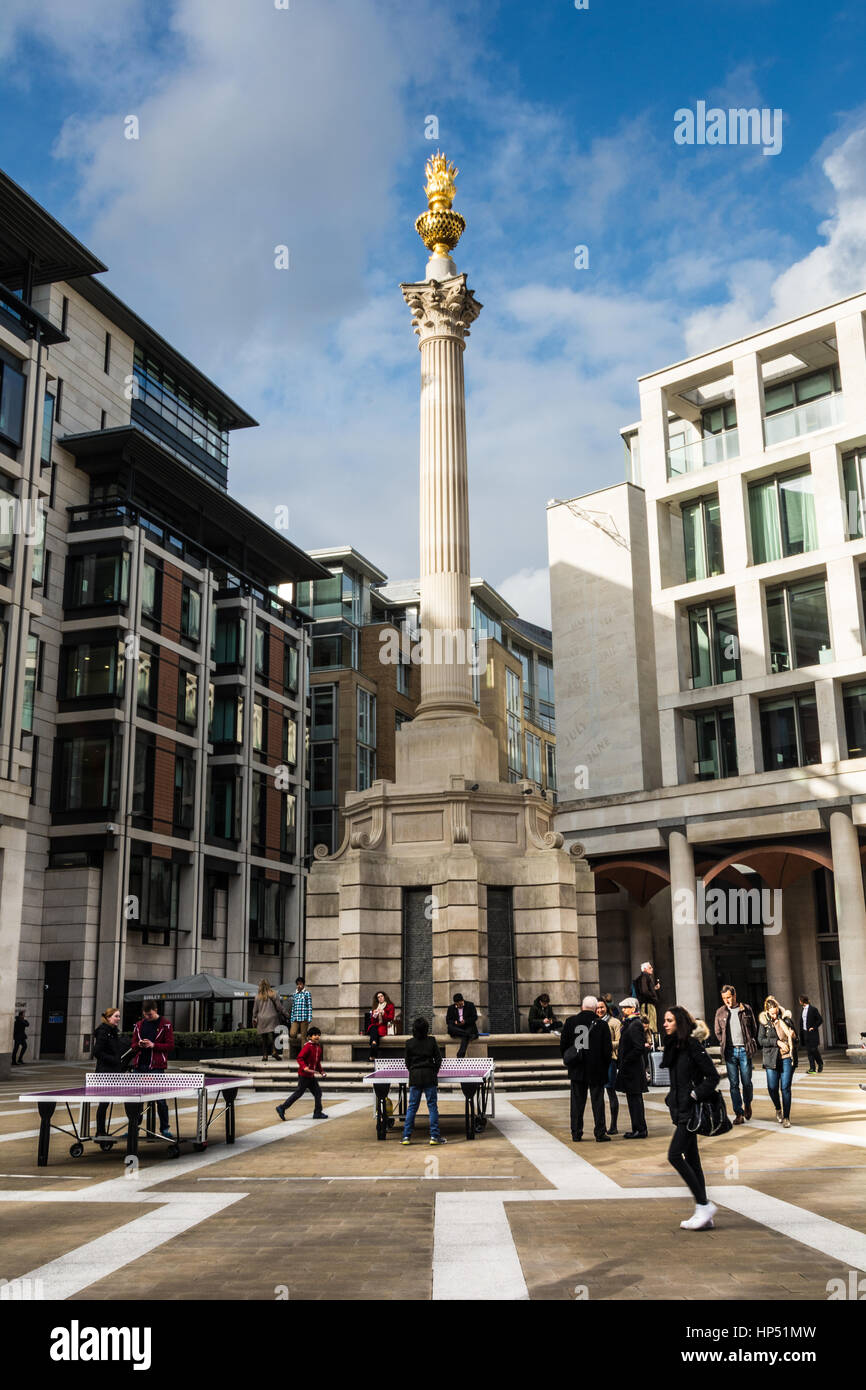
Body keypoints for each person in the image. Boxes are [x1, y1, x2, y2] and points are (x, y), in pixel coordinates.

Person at [662, 1007, 720, 1231]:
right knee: (693, 1160)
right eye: (665, 1021)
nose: (665, 1024)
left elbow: (712, 1076)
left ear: (680, 1023)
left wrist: (695, 1095)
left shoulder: (692, 1046)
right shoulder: (675, 1046)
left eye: (669, 1020)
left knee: (674, 1155)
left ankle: (704, 1205)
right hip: (679, 1109)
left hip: (690, 1111)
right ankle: (703, 1212)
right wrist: (672, 1097)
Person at [560, 995, 612, 1142]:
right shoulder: (601, 1025)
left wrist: (570, 1062)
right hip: (596, 1069)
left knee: (576, 1103)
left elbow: (563, 1046)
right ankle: (600, 1132)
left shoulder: (570, 1022)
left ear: (582, 1007)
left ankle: (576, 1133)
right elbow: (607, 1051)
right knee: (598, 1102)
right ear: (595, 1009)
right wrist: (604, 1066)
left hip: (577, 1069)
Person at [713, 984, 758, 1125]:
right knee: (733, 1084)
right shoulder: (720, 1012)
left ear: (734, 995)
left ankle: (748, 1103)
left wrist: (750, 1041)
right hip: (730, 1051)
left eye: (729, 997)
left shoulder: (746, 1009)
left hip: (745, 1050)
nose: (727, 1000)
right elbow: (717, 1031)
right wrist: (723, 1043)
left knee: (746, 1082)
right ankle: (738, 1113)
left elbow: (754, 1028)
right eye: (724, 998)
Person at [131, 1001, 176, 1139]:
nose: (148, 1017)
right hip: (140, 1065)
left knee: (160, 1100)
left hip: (156, 1067)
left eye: (150, 1015)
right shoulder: (139, 1025)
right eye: (145, 1015)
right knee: (136, 1100)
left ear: (156, 1010)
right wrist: (138, 1044)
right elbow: (132, 1044)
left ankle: (165, 1128)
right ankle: (134, 1128)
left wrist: (153, 1045)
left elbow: (170, 1045)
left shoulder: (166, 1024)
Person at [401, 1016, 445, 1145]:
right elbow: (438, 1059)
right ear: (426, 1029)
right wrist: (433, 1071)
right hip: (429, 1075)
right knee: (432, 1107)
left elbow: (407, 1062)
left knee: (412, 1107)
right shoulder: (431, 1041)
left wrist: (413, 1070)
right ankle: (434, 1137)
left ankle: (406, 1137)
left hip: (415, 1075)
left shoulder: (409, 1043)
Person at [758, 996, 797, 1128]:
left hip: (787, 1057)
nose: (774, 1015)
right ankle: (778, 1108)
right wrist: (777, 1042)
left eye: (776, 1013)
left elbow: (796, 1038)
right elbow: (761, 1040)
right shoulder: (764, 1023)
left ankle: (786, 1117)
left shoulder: (786, 1020)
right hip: (771, 1058)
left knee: (785, 1088)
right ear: (767, 1012)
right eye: (772, 1013)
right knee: (772, 1088)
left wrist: (793, 1035)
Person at [275, 1025, 328, 1120]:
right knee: (298, 1093)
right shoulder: (307, 1047)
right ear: (310, 1037)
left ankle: (317, 1113)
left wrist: (322, 1072)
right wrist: (304, 1067)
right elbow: (299, 1058)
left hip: (311, 1076)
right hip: (304, 1075)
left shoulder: (318, 1048)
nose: (317, 1036)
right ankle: (282, 1107)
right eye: (314, 1035)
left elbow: (317, 1063)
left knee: (318, 1093)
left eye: (318, 1035)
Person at [615, 997, 650, 1138]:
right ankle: (637, 1128)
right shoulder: (630, 1023)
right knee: (633, 1100)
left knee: (635, 1101)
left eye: (625, 1008)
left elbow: (638, 1048)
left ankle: (640, 1129)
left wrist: (626, 1061)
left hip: (633, 1069)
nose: (623, 1010)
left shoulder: (635, 1024)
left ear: (633, 1009)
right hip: (630, 1068)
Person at [93, 1005, 125, 1137]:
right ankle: (100, 1131)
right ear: (108, 1018)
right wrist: (113, 1059)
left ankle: (101, 1131)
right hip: (105, 1072)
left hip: (113, 1071)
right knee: (104, 1102)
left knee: (105, 1103)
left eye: (118, 1016)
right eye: (116, 1016)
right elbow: (97, 1052)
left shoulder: (113, 1031)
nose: (118, 1018)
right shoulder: (103, 1031)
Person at [596, 997, 622, 1134]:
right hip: (597, 1062)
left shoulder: (614, 1022)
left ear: (606, 1008)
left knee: (611, 1092)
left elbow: (619, 1041)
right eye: (597, 1007)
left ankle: (613, 1125)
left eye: (602, 1007)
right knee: (598, 1094)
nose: (599, 1010)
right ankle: (601, 1126)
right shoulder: (593, 1022)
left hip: (610, 1060)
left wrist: (605, 1045)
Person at [252, 979, 283, 1062]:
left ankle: (265, 1055)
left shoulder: (257, 996)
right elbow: (279, 1007)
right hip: (272, 1017)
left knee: (264, 1038)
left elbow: (255, 1010)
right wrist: (284, 1014)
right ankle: (274, 1051)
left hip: (262, 1018)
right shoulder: (274, 994)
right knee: (275, 1035)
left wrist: (254, 1018)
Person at [446, 993, 479, 1057]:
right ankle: (469, 1035)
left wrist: (466, 1021)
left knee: (466, 1034)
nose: (458, 1006)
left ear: (462, 1001)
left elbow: (475, 1017)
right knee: (450, 1027)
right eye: (456, 1005)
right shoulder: (451, 1008)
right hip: (457, 1027)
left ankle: (460, 1055)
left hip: (467, 1025)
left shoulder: (470, 1005)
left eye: (459, 1004)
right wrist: (454, 1022)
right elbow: (448, 1020)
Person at [798, 995, 824, 1074]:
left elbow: (820, 1020)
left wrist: (813, 1027)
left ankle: (820, 1063)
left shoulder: (813, 1009)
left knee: (814, 1049)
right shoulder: (802, 1010)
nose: (799, 1002)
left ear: (802, 1001)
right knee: (809, 1051)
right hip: (805, 1033)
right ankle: (812, 1069)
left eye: (800, 1000)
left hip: (812, 1033)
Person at [367, 991, 396, 1060]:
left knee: (375, 1032)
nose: (380, 998)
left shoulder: (390, 1006)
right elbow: (372, 1021)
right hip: (375, 1025)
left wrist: (383, 1013)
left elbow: (391, 1018)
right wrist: (374, 1015)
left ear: (385, 997)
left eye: (381, 996)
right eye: (378, 997)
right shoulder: (375, 1006)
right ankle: (373, 1044)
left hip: (384, 1025)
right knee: (373, 1028)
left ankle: (372, 1054)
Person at [633, 962, 661, 1034]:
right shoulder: (645, 976)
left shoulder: (640, 978)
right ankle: (653, 1041)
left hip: (644, 1004)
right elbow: (644, 991)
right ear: (645, 969)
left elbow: (644, 990)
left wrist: (654, 989)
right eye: (650, 968)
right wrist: (653, 997)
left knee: (645, 1023)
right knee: (651, 1023)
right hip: (648, 1005)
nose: (652, 969)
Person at [289, 976, 313, 1052]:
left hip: (304, 1018)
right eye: (298, 984)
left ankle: (303, 1053)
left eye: (300, 984)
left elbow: (309, 1006)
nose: (299, 986)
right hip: (296, 1018)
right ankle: (297, 1031)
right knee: (292, 1034)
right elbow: (293, 1007)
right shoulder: (294, 994)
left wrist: (309, 1018)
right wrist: (292, 1018)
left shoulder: (307, 994)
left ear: (303, 984)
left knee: (303, 1037)